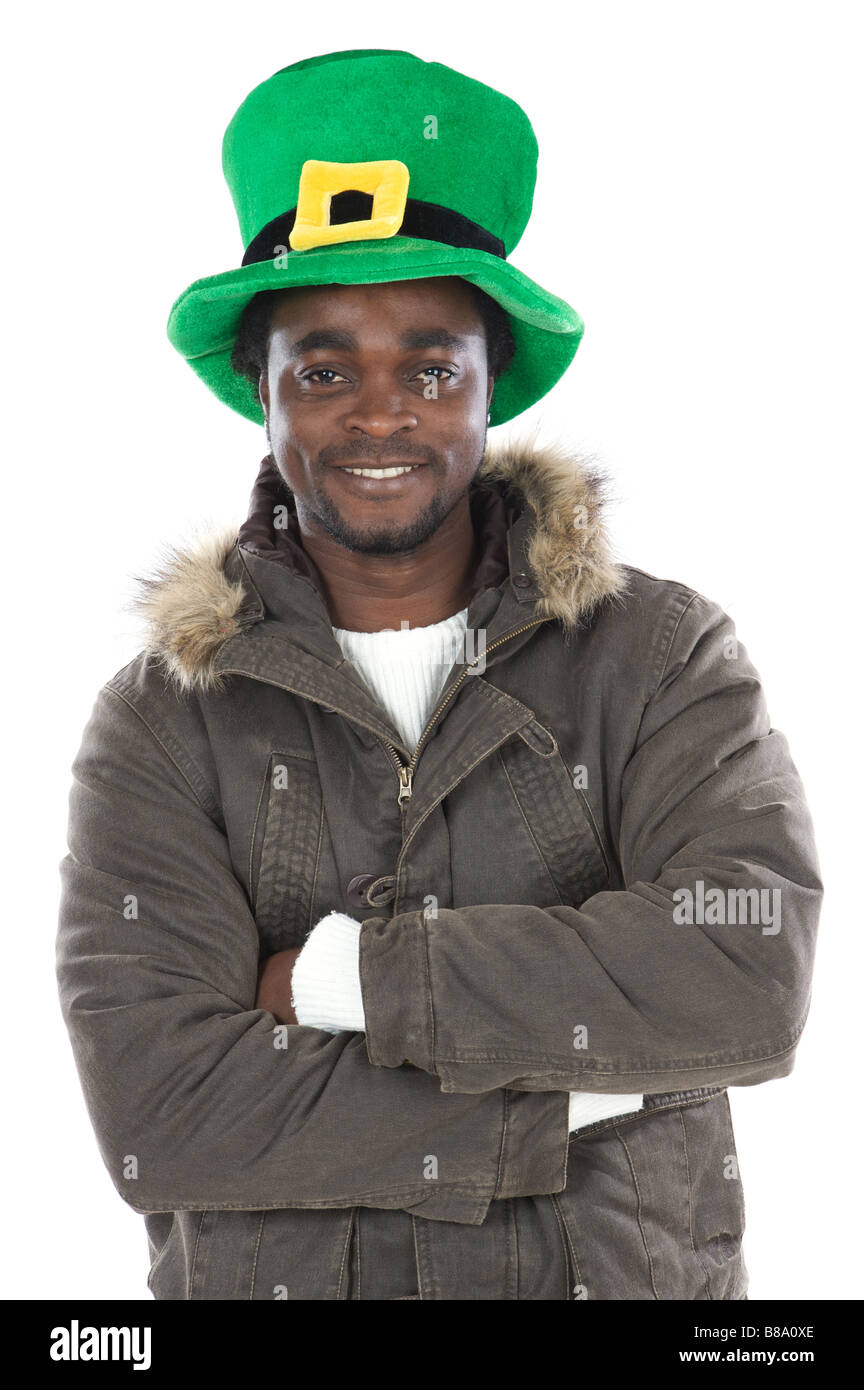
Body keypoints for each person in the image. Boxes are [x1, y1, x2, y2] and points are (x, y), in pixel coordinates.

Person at [56, 48, 822, 1300]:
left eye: (429, 366)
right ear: (261, 388)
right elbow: (167, 1109)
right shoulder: (159, 724)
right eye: (322, 368)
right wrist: (569, 1101)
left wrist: (334, 982)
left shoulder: (663, 655)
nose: (377, 414)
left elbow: (745, 969)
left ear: (487, 388)